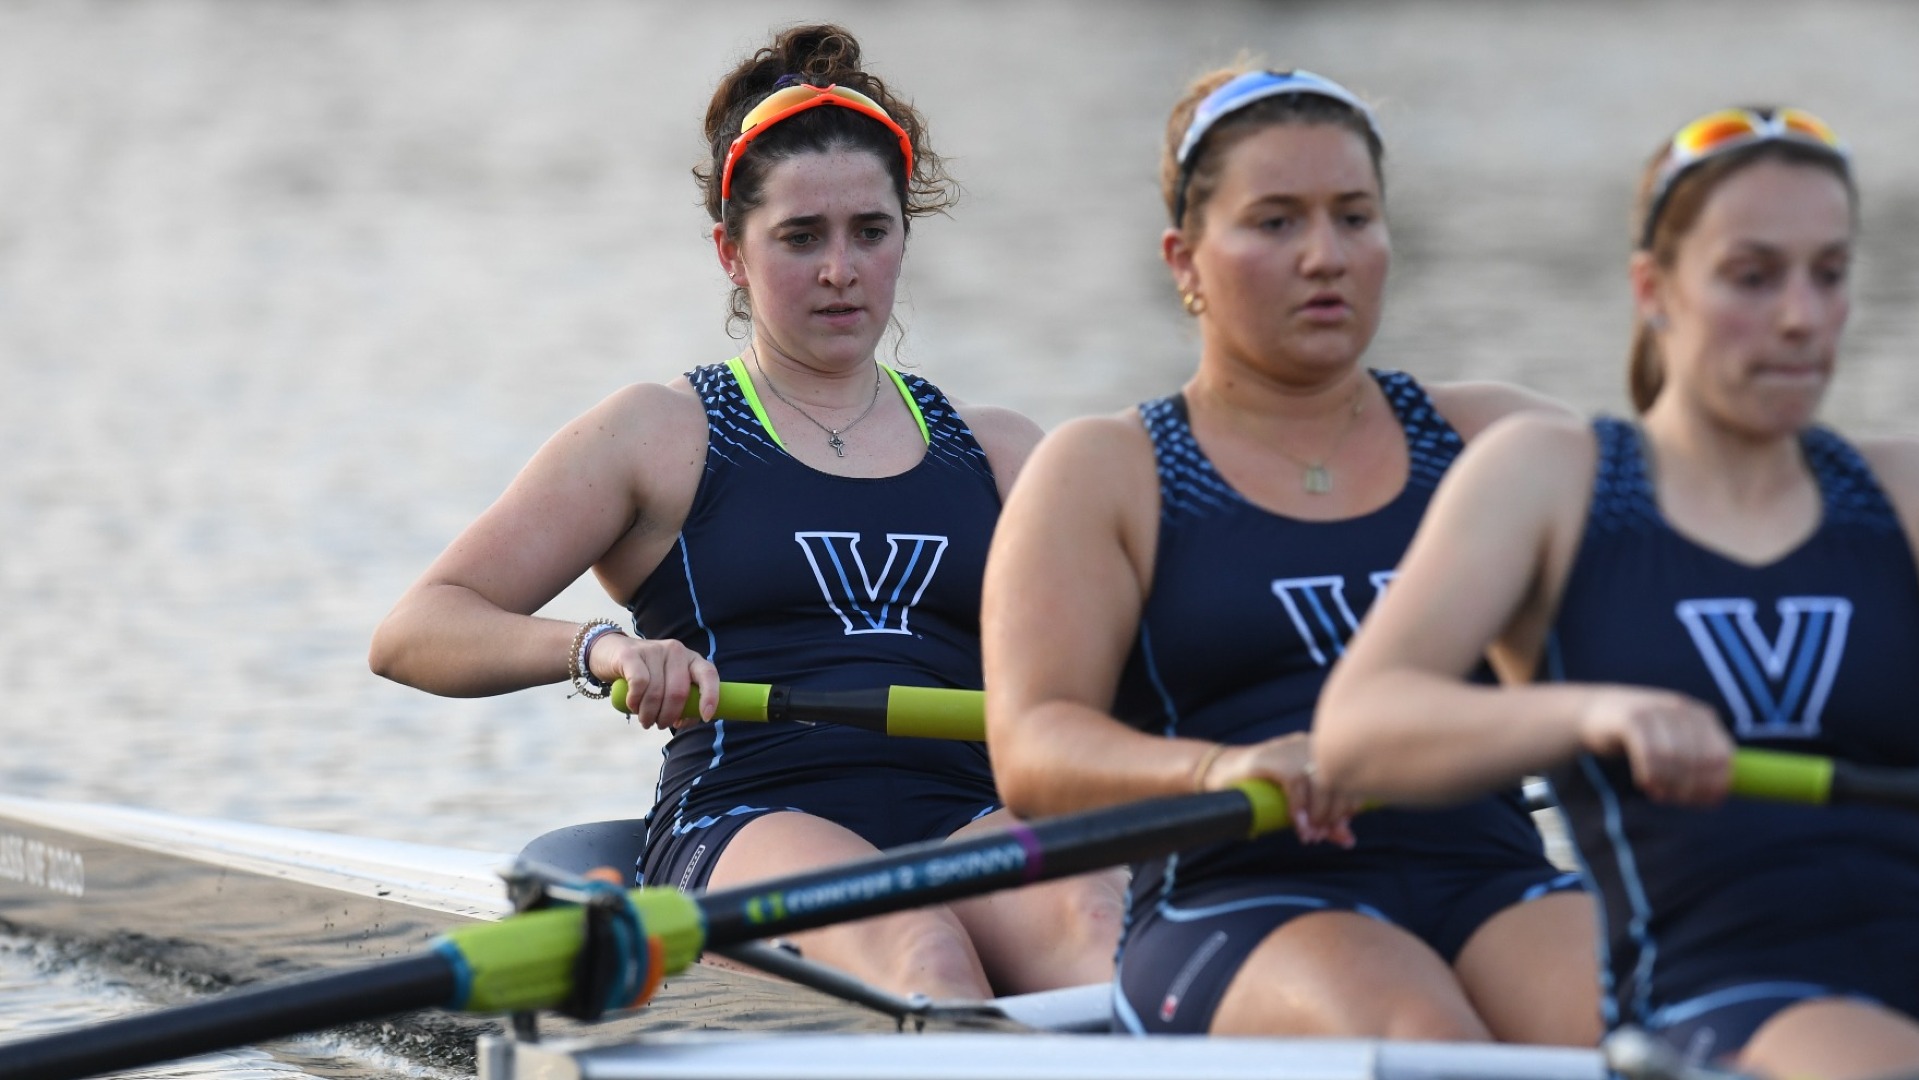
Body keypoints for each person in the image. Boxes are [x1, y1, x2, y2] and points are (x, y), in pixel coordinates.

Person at [369, 23, 1123, 1001]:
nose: (840, 271)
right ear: (730, 250)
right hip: (747, 820)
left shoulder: (1004, 452)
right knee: (918, 950)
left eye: (870, 232)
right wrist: (599, 651)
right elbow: (415, 631)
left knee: (1101, 930)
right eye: (799, 239)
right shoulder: (658, 436)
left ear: (905, 234)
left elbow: (1159, 659)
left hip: (967, 813)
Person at [980, 67, 1595, 1041]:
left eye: (1353, 217)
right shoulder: (1107, 471)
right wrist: (1217, 769)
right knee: (1419, 1040)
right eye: (1274, 223)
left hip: (1492, 873)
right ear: (1183, 260)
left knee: (1655, 1032)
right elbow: (1030, 748)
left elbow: (1669, 619)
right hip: (1233, 896)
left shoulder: (1499, 442)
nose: (1325, 256)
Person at [1314, 106, 1919, 1079]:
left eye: (1829, 273)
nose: (1801, 316)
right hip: (1717, 1009)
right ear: (1653, 289)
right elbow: (1356, 731)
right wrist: (1588, 711)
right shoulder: (1551, 480)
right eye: (1751, 277)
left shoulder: (1898, 491)